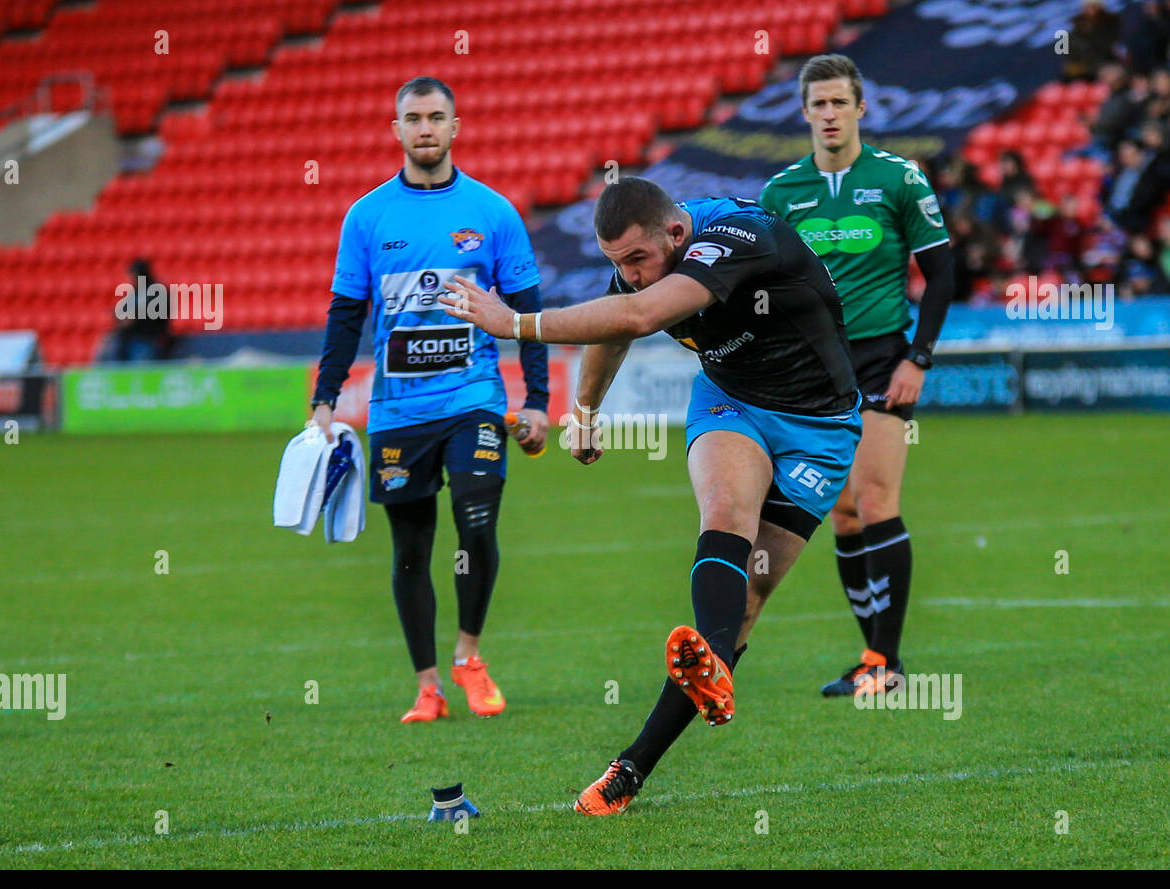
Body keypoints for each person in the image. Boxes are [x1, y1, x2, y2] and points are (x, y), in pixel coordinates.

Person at [440, 176, 861, 815]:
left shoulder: (738, 236)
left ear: (674, 232)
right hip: (734, 403)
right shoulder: (640, 263)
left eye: (637, 260)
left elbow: (640, 316)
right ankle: (701, 680)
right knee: (724, 512)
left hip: (820, 428)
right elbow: (615, 330)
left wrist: (514, 322)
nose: (631, 276)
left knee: (751, 592)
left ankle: (638, 763)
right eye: (618, 265)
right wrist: (583, 407)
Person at [309, 76, 550, 723]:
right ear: (396, 130)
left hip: (473, 397)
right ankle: (428, 685)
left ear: (455, 126)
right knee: (410, 551)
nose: (424, 128)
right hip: (398, 410)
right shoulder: (366, 216)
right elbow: (345, 314)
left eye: (435, 116)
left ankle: (470, 658)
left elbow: (529, 312)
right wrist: (325, 400)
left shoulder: (494, 213)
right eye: (412, 117)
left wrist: (538, 402)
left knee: (477, 521)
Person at [759, 54, 953, 698]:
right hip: (813, 367)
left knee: (874, 498)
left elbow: (943, 273)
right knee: (841, 513)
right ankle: (872, 655)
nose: (831, 114)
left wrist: (917, 357)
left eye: (841, 102)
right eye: (819, 104)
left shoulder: (900, 179)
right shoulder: (780, 194)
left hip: (880, 358)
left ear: (861, 108)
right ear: (805, 111)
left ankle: (887, 662)